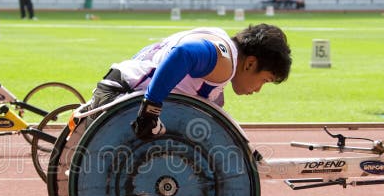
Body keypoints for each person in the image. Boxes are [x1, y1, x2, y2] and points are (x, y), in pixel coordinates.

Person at [79, 24, 292, 139]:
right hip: (120, 100)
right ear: (250, 64)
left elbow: (151, 59)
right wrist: (150, 108)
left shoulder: (216, 37)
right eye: (265, 80)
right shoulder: (224, 61)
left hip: (114, 89)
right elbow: (184, 53)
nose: (258, 90)